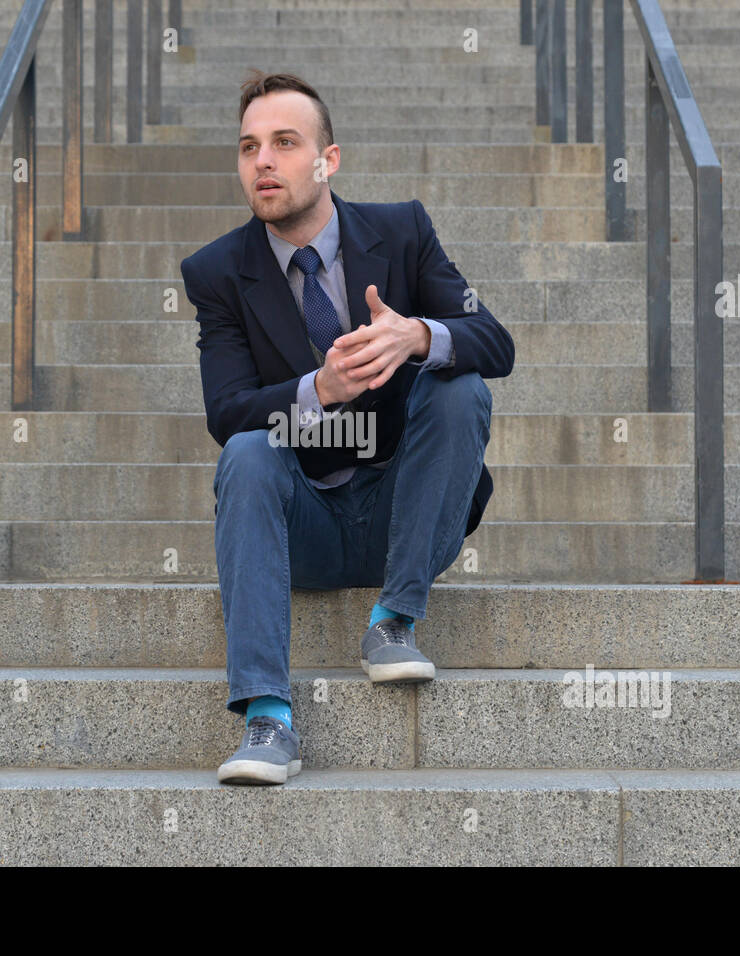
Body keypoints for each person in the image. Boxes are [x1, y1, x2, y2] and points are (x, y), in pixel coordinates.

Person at [179, 70, 514, 785]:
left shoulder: (402, 232)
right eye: (248, 147)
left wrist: (417, 336)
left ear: (328, 159)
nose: (263, 161)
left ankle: (393, 618)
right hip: (306, 527)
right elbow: (227, 411)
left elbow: (496, 340)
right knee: (246, 451)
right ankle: (268, 719)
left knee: (460, 389)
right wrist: (318, 390)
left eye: (284, 142)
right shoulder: (216, 273)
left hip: (407, 512)